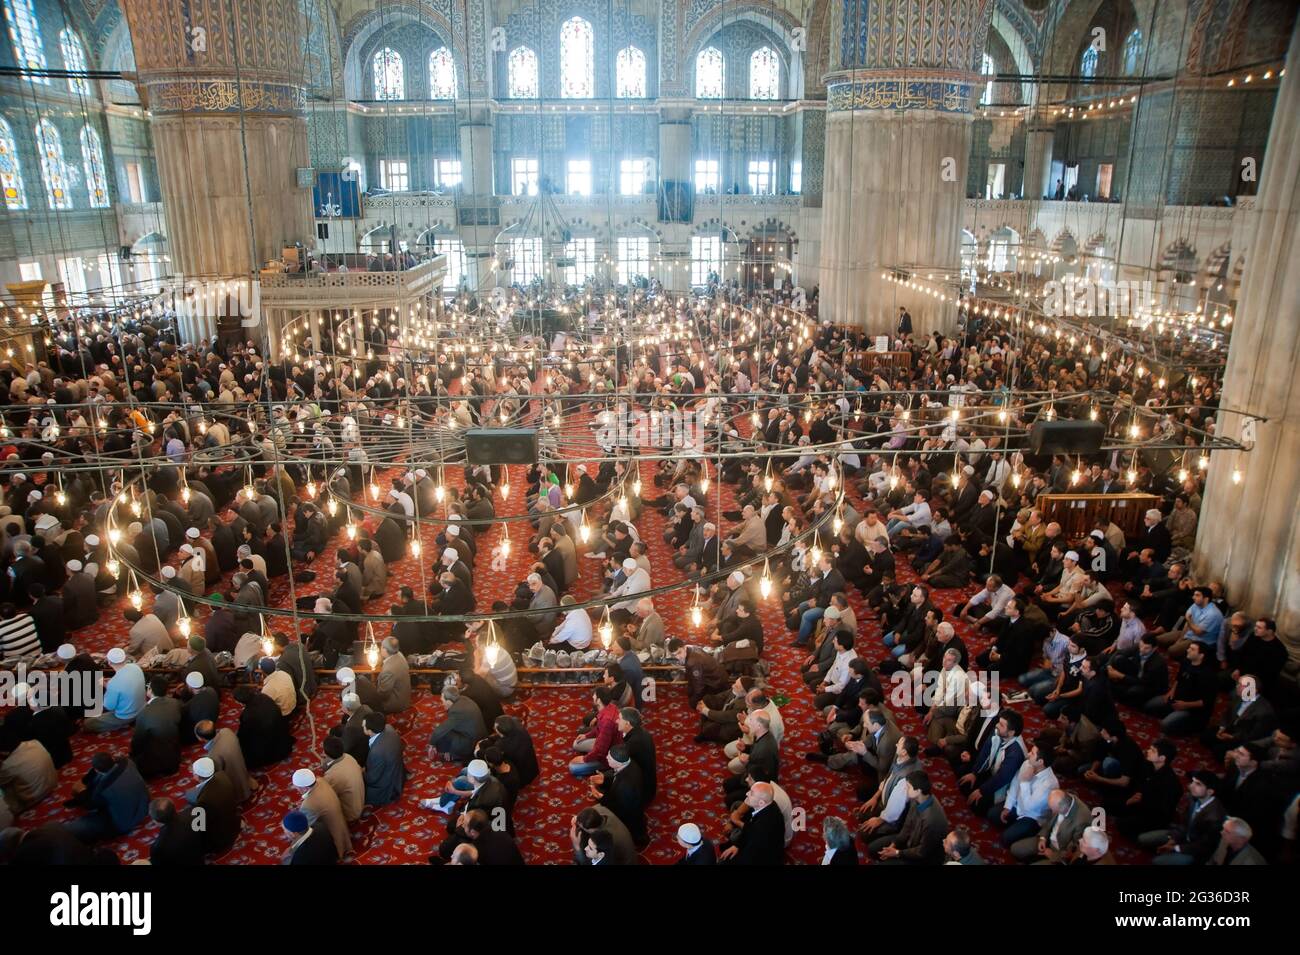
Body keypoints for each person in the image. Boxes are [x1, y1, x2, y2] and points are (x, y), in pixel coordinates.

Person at [65, 752, 150, 844]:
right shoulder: (127, 762)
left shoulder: (104, 789)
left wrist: (81, 792)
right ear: (112, 759)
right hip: (144, 804)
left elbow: (89, 805)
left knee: (73, 829)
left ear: (97, 770)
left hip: (124, 822)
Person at [719, 782, 784, 864]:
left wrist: (738, 848)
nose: (747, 794)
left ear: (761, 802)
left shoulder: (763, 827)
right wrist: (737, 845)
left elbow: (750, 855)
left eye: (751, 794)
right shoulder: (765, 805)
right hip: (755, 842)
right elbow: (749, 827)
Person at [83, 647, 145, 732]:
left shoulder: (114, 684)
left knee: (87, 723)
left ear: (109, 662)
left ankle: (123, 724)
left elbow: (109, 706)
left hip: (125, 716)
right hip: (141, 708)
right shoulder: (135, 667)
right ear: (125, 658)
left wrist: (107, 686)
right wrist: (110, 684)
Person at [428, 682, 486, 762]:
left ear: (448, 701)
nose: (442, 703)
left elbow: (441, 730)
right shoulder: (463, 699)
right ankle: (450, 751)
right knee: (446, 729)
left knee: (442, 734)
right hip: (475, 735)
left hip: (471, 743)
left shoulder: (457, 711)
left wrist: (432, 744)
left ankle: (455, 755)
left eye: (442, 701)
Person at [362, 712, 407, 807]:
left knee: (357, 793)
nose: (362, 726)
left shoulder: (377, 752)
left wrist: (362, 772)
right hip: (397, 772)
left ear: (370, 731)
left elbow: (372, 779)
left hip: (387, 787)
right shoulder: (389, 727)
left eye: (363, 726)